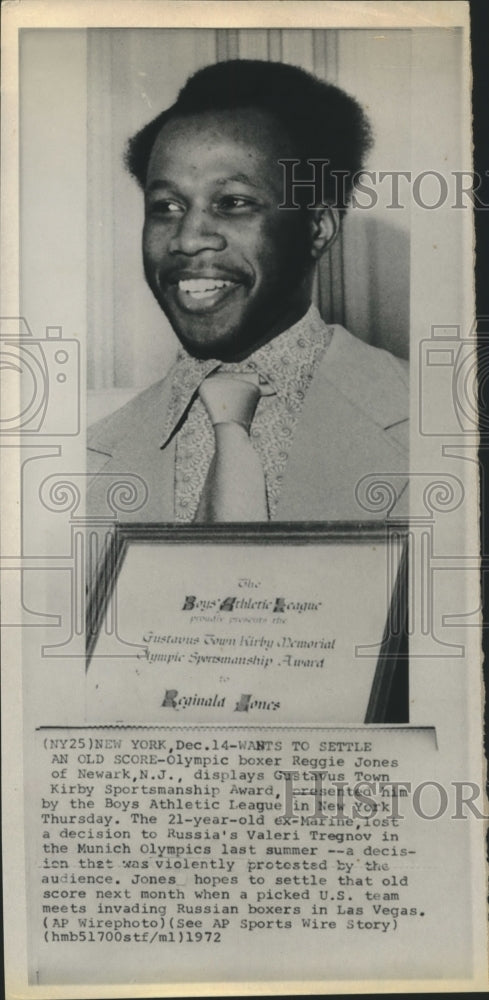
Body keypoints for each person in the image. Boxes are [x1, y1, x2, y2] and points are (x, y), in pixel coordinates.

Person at [87, 59, 409, 524]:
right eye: (167, 206)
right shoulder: (84, 459)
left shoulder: (442, 425)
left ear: (318, 228)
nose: (188, 237)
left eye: (233, 203)